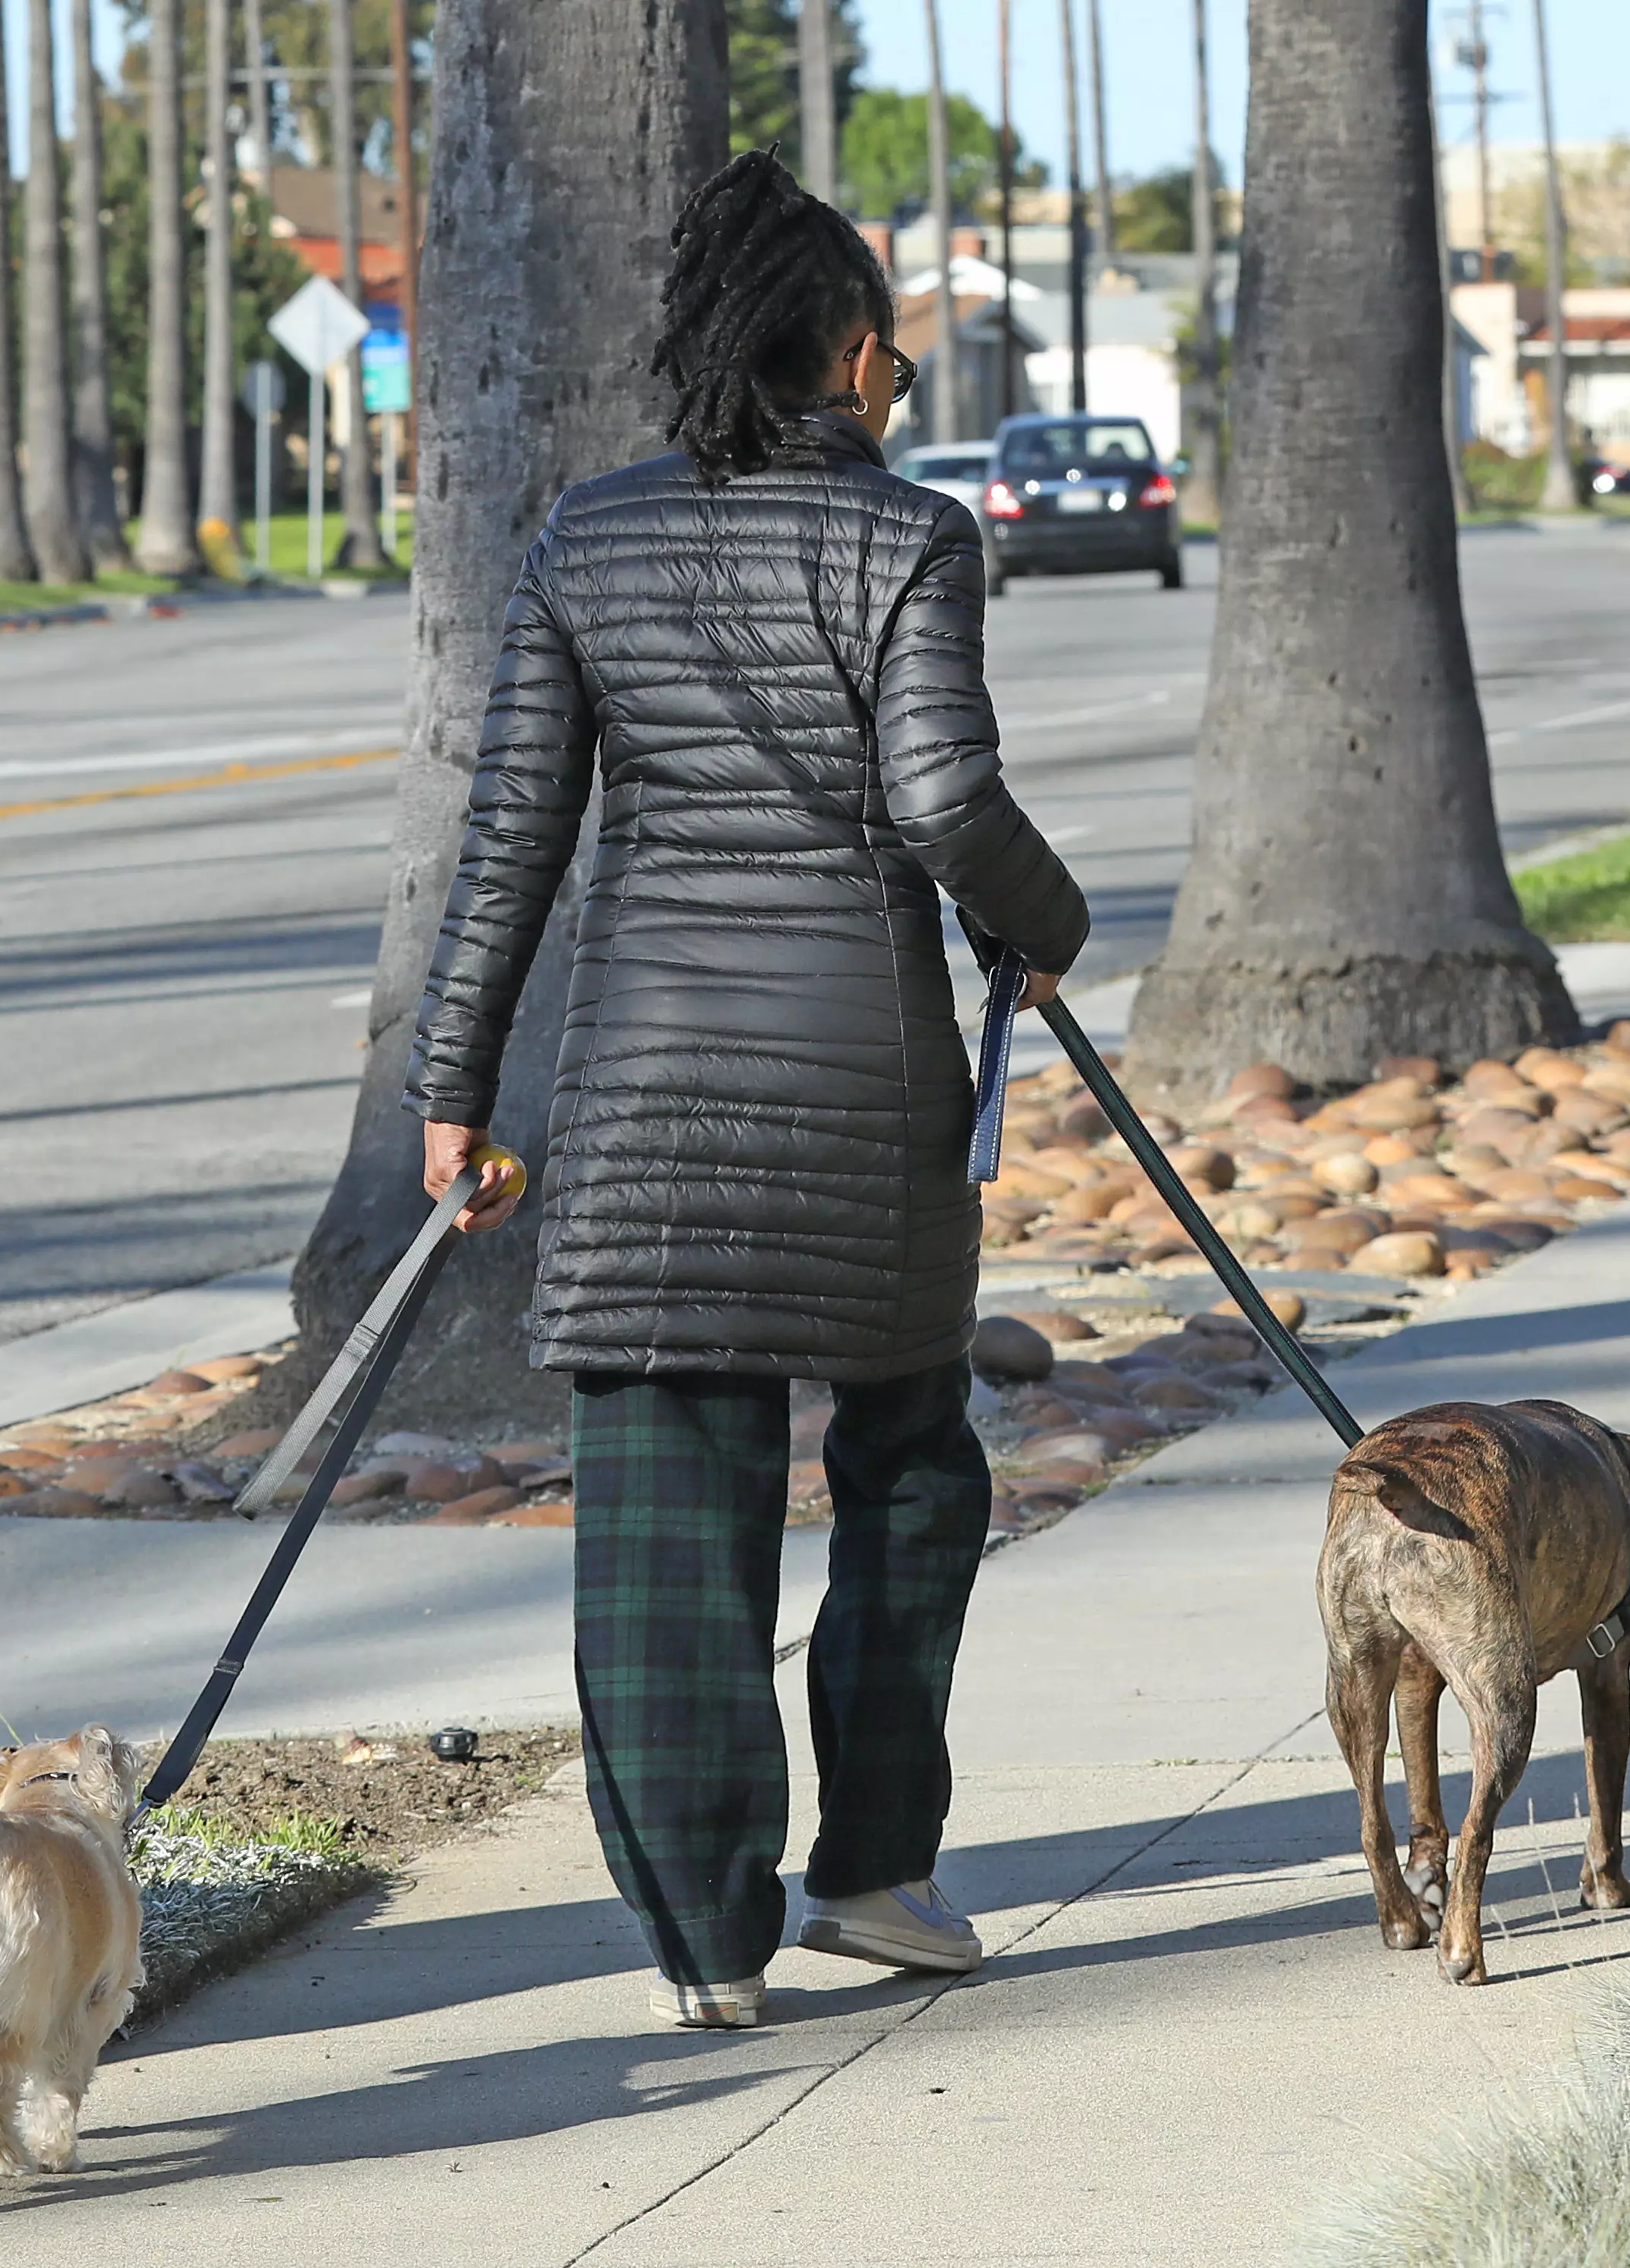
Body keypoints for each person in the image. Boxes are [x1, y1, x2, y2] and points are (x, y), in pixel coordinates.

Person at [403, 148, 1089, 2031]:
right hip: (862, 1098)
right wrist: (1053, 921)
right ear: (856, 359)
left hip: (636, 1111)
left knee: (657, 1534)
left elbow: (511, 848)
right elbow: (945, 799)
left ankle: (703, 1942)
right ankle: (875, 1871)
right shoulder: (909, 540)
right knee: (907, 1472)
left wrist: (452, 1092)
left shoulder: (586, 536)